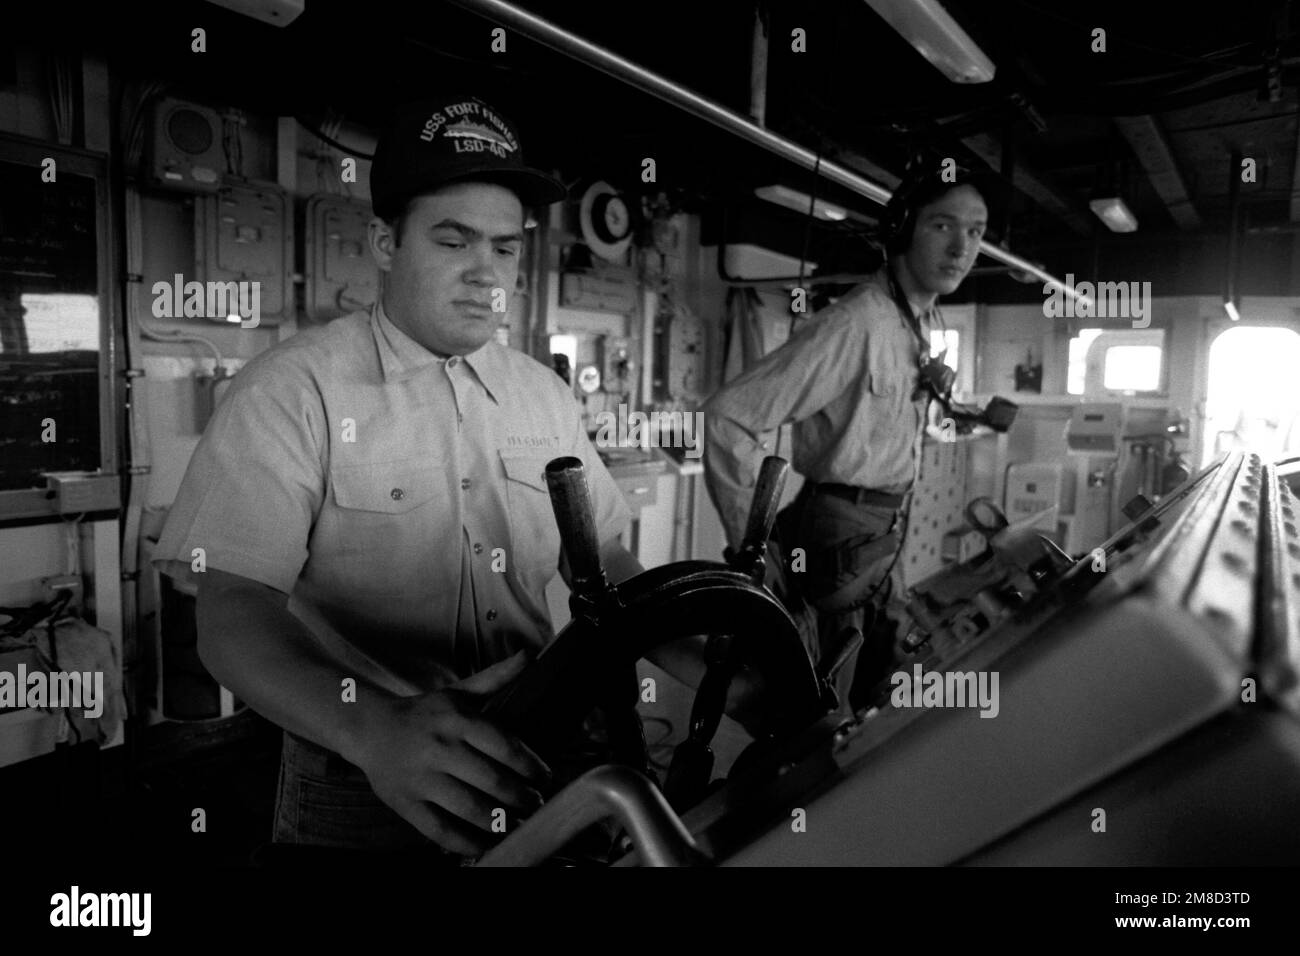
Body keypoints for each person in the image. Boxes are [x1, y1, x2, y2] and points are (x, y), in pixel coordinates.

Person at [153, 95, 664, 860]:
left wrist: (704, 645)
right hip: (359, 767)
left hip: (530, 755)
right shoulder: (292, 391)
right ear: (385, 242)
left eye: (503, 248)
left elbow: (603, 560)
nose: (483, 276)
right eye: (453, 242)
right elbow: (232, 614)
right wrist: (374, 728)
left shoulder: (541, 394)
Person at [701, 159, 995, 710]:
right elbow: (726, 417)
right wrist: (756, 554)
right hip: (838, 539)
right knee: (818, 716)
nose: (962, 248)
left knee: (868, 702)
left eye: (975, 232)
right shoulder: (857, 322)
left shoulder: (919, 323)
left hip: (884, 533)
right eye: (943, 225)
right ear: (903, 228)